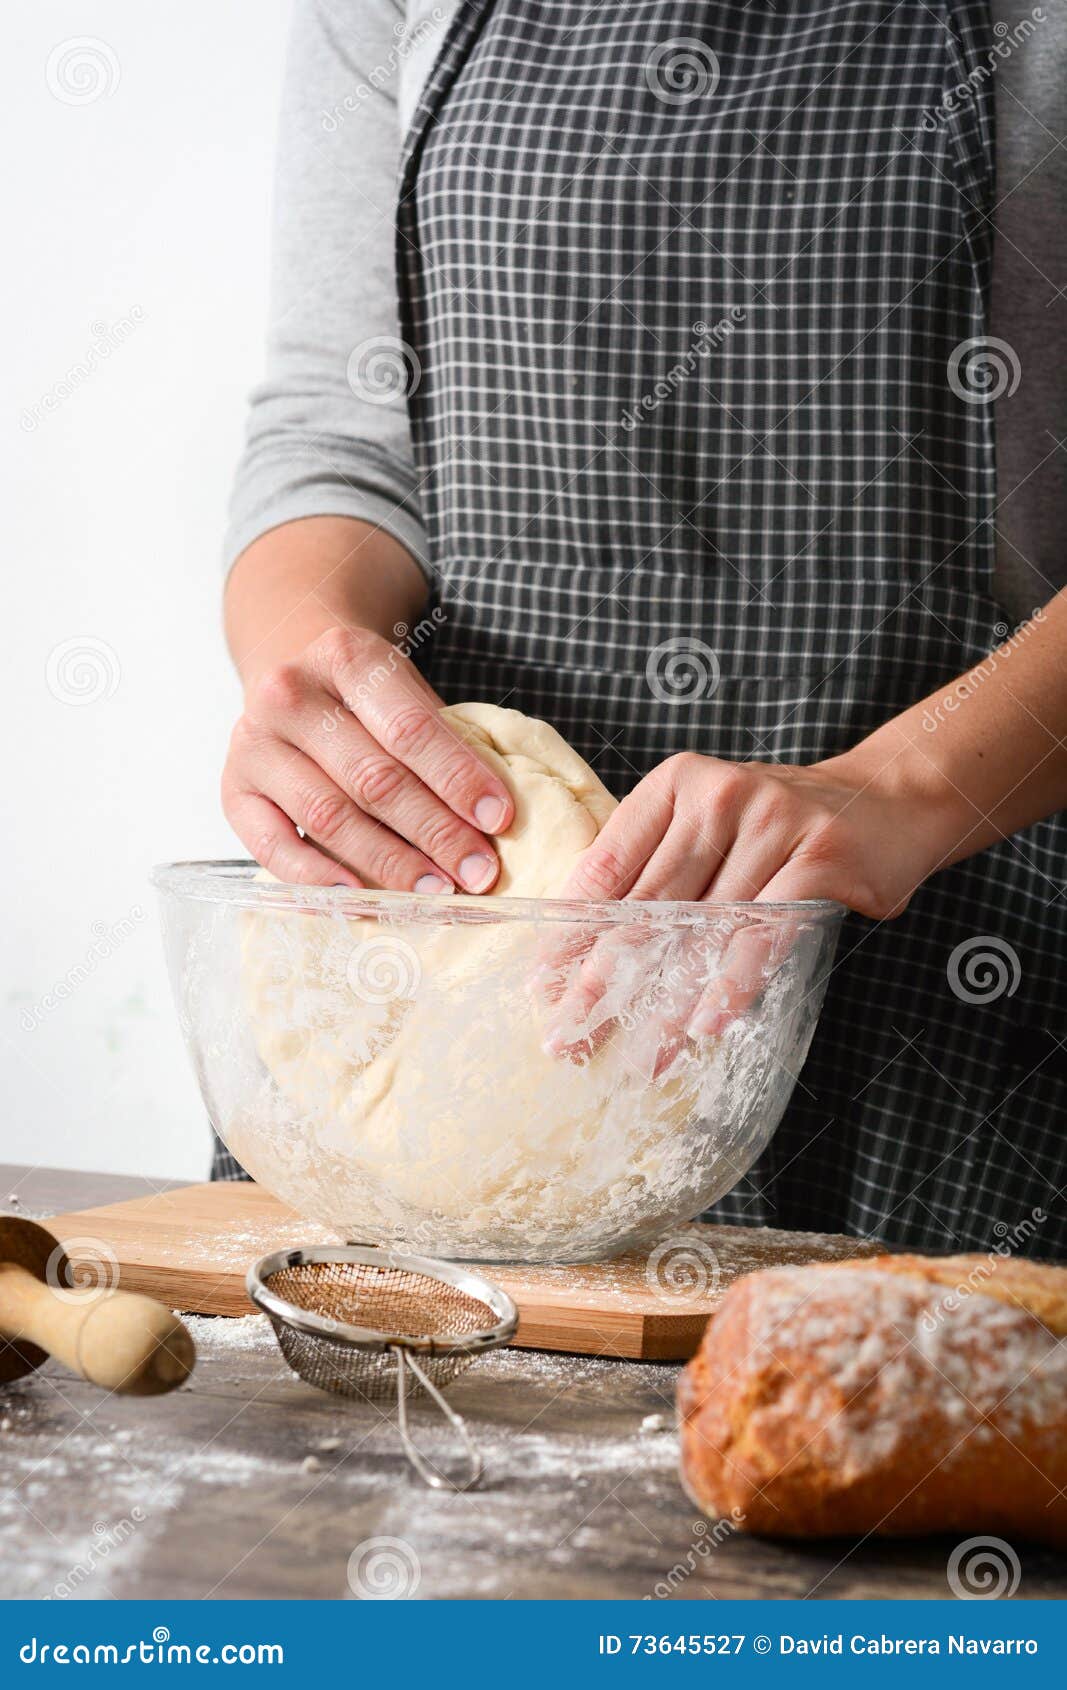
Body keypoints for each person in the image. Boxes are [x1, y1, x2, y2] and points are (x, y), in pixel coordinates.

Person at [219, 0, 1067, 1256]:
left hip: (956, 960)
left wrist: (904, 787)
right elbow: (339, 435)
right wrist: (312, 658)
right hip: (452, 971)